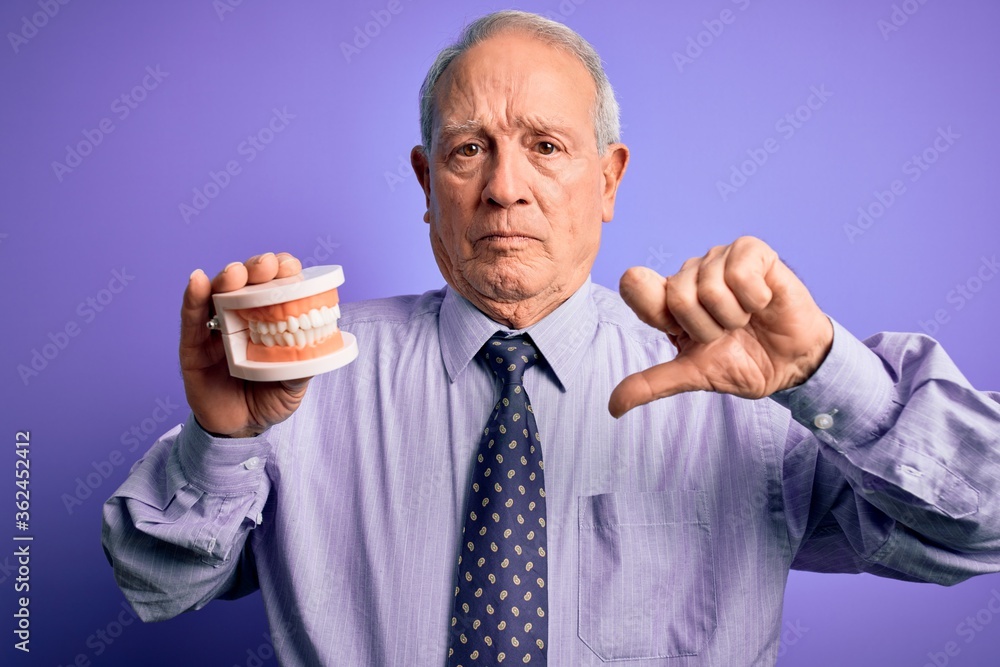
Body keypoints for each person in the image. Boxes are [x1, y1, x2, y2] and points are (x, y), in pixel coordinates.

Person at [102, 9, 1000, 666]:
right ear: (426, 183)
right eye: (468, 151)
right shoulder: (302, 383)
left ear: (608, 180)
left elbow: (977, 531)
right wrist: (222, 440)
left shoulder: (742, 387)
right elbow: (157, 584)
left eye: (545, 145)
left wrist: (825, 375)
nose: (505, 188)